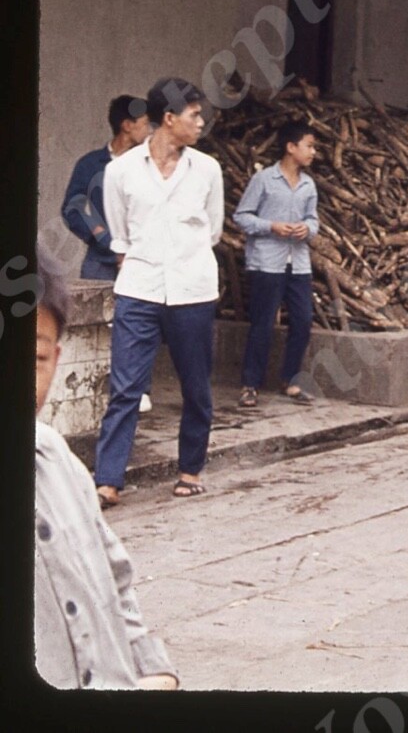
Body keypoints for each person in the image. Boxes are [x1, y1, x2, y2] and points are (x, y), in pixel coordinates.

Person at [34, 239, 181, 690]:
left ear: (56, 361)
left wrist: (152, 668)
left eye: (33, 359)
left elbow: (116, 579)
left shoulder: (58, 461)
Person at [94, 78, 223, 507]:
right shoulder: (121, 171)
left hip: (193, 290)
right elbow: (120, 230)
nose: (200, 122)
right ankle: (109, 479)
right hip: (139, 290)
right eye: (194, 115)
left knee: (196, 386)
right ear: (169, 119)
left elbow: (214, 229)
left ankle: (190, 468)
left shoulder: (207, 170)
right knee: (126, 387)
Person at [234, 119, 321, 408]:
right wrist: (272, 226)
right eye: (309, 146)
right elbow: (242, 216)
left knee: (303, 320)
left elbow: (313, 219)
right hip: (266, 262)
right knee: (262, 324)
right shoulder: (264, 180)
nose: (313, 153)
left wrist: (306, 229)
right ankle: (250, 384)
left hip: (298, 263)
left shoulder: (309, 184)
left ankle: (290, 379)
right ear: (290, 147)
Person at [62, 94, 150, 281]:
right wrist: (95, 233)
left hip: (141, 261)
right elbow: (72, 207)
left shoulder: (148, 165)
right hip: (100, 260)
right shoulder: (90, 164)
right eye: (145, 124)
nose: (150, 131)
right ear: (127, 125)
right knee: (92, 308)